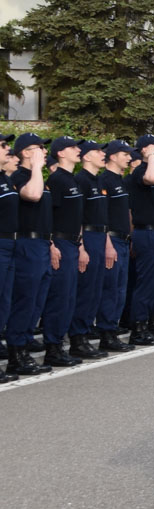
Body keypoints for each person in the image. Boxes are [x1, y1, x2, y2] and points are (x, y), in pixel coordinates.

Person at [39, 137, 90, 369]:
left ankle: (61, 342)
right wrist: (51, 245)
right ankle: (53, 347)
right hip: (59, 243)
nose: (77, 150)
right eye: (72, 148)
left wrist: (80, 245)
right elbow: (47, 216)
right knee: (59, 298)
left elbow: (77, 218)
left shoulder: (72, 179)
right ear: (60, 153)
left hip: (72, 244)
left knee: (69, 297)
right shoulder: (57, 180)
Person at [7, 134, 56, 377]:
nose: (44, 152)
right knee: (25, 300)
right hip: (26, 243)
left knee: (37, 299)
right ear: (25, 153)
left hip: (42, 243)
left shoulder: (38, 178)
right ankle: (17, 353)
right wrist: (36, 167)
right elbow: (32, 196)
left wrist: (51, 243)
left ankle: (25, 345)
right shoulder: (19, 177)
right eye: (39, 148)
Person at [68, 139, 116, 360]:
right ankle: (77, 339)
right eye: (97, 151)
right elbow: (76, 217)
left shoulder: (98, 181)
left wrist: (107, 243)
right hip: (86, 236)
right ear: (87, 157)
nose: (102, 154)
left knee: (96, 289)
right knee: (85, 290)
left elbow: (103, 218)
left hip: (99, 235)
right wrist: (81, 246)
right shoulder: (81, 181)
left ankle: (86, 333)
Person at [126, 136, 154, 346]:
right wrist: (150, 156)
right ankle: (138, 327)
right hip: (148, 233)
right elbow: (151, 179)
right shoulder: (140, 172)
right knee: (146, 283)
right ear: (145, 150)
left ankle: (151, 322)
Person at [94, 140, 136, 354]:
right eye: (125, 154)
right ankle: (105, 333)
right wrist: (108, 244)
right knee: (110, 289)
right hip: (111, 240)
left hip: (123, 239)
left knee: (120, 289)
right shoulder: (105, 181)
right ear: (112, 156)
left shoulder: (120, 181)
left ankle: (112, 329)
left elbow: (126, 213)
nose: (129, 157)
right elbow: (103, 218)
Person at [0, 136, 17, 383]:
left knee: (4, 302)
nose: (7, 150)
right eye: (3, 146)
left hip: (9, 243)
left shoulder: (5, 178)